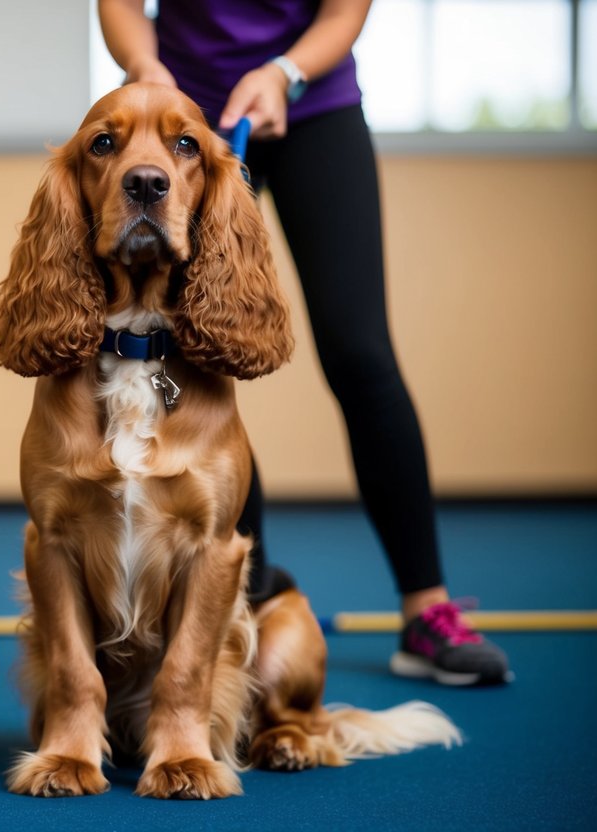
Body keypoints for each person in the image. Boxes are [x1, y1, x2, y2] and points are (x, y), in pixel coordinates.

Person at [98, 0, 510, 686]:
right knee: (189, 354)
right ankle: (243, 596)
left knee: (359, 353)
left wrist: (284, 71)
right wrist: (146, 70)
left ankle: (425, 609)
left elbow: (344, 11)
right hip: (182, 119)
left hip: (313, 104)